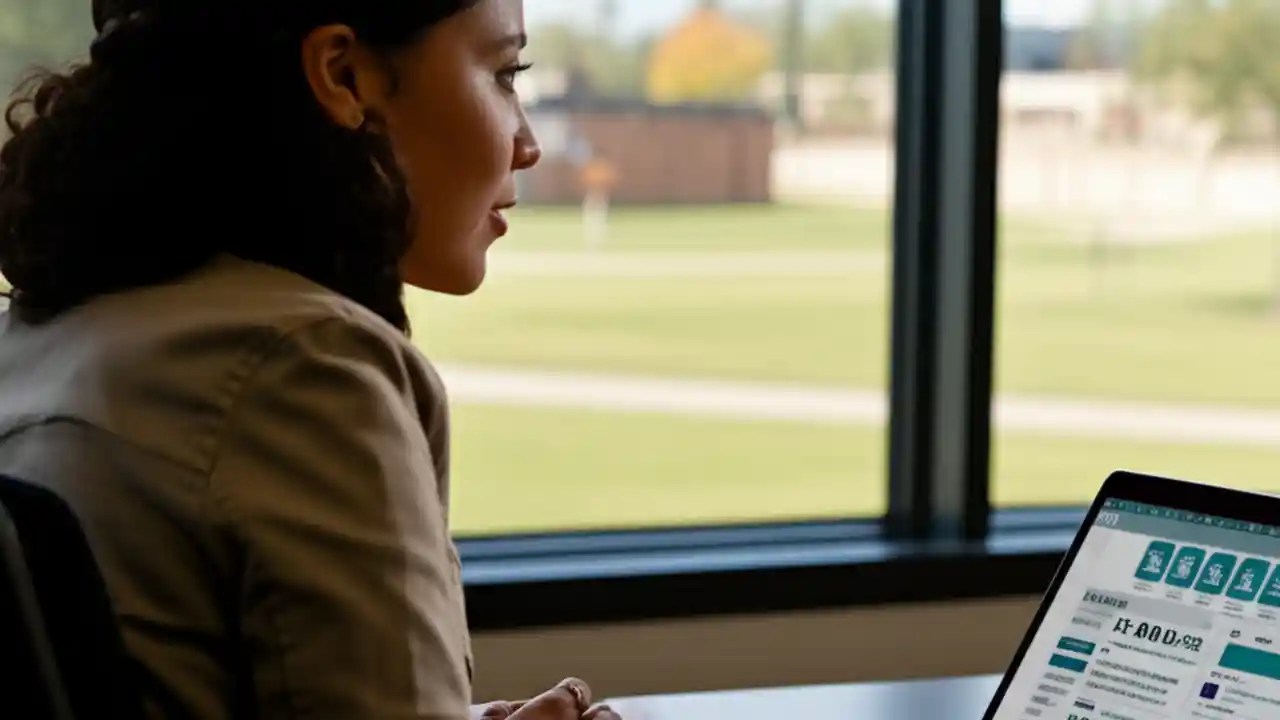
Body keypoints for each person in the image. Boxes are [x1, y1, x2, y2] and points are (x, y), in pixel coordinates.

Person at [0, 1, 620, 719]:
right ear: (343, 74)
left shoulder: (41, 340)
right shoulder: (307, 370)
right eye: (504, 73)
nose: (528, 143)